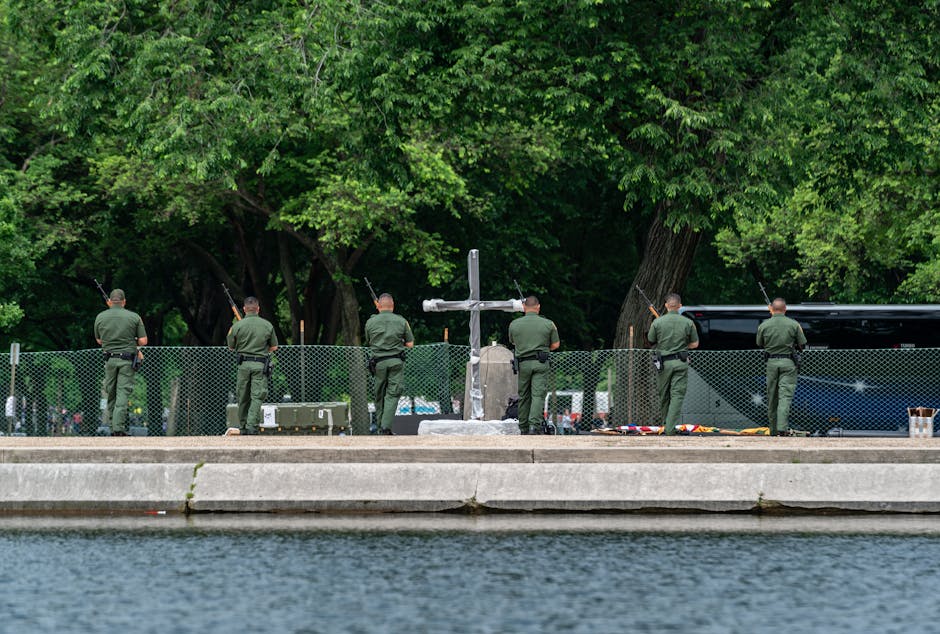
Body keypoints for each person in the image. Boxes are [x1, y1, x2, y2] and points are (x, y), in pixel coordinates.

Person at [94, 288, 148, 436]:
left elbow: (99, 340)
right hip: (126, 360)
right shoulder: (134, 317)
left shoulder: (100, 317)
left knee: (110, 393)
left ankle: (113, 427)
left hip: (109, 360)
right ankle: (119, 429)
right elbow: (143, 341)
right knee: (122, 393)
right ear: (124, 301)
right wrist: (131, 340)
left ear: (110, 301)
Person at [647, 293, 699, 435]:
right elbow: (695, 344)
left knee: (664, 395)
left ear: (666, 305)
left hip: (663, 364)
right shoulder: (688, 322)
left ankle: (668, 427)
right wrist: (682, 346)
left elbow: (651, 340)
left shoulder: (657, 322)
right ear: (680, 306)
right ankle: (670, 427)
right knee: (677, 395)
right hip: (681, 362)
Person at [508, 295, 560, 434]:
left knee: (524, 395)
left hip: (523, 364)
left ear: (524, 307)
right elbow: (556, 344)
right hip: (540, 363)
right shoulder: (548, 324)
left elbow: (513, 342)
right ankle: (534, 426)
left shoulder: (514, 324)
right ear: (538, 307)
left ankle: (523, 427)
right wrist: (542, 348)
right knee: (537, 395)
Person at [226, 296, 278, 435]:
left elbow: (231, 347)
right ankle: (251, 426)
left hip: (243, 365)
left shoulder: (237, 326)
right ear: (258, 309)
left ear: (244, 309)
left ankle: (243, 427)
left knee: (242, 396)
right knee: (257, 396)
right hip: (260, 365)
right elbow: (274, 347)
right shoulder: (267, 325)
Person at [364, 293, 414, 435]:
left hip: (378, 363)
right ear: (393, 306)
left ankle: (381, 427)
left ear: (378, 305)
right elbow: (410, 344)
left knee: (379, 395)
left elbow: (369, 341)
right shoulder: (401, 321)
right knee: (392, 394)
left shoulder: (370, 322)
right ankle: (385, 428)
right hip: (396, 362)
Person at [756, 297, 807, 436]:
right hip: (788, 363)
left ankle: (773, 430)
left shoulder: (764, 325)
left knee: (771, 397)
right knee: (785, 397)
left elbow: (759, 343)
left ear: (772, 309)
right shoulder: (794, 324)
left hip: (771, 364)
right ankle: (782, 429)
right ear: (785, 309)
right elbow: (802, 344)